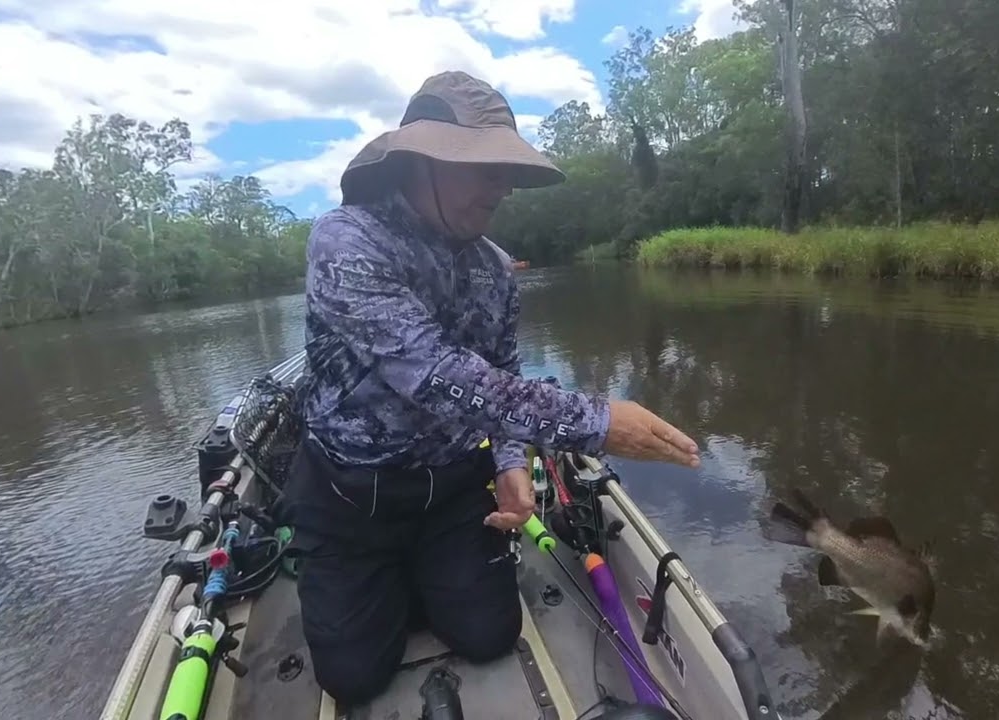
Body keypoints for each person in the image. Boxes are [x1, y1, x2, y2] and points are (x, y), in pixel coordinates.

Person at [282, 69, 701, 707]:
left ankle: (427, 574)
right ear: (423, 162)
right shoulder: (345, 242)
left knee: (489, 634)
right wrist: (595, 421)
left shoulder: (495, 268)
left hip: (453, 487)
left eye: (506, 171)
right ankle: (385, 578)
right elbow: (435, 375)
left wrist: (509, 461)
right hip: (349, 500)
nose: (502, 187)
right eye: (484, 169)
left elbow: (500, 371)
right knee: (352, 676)